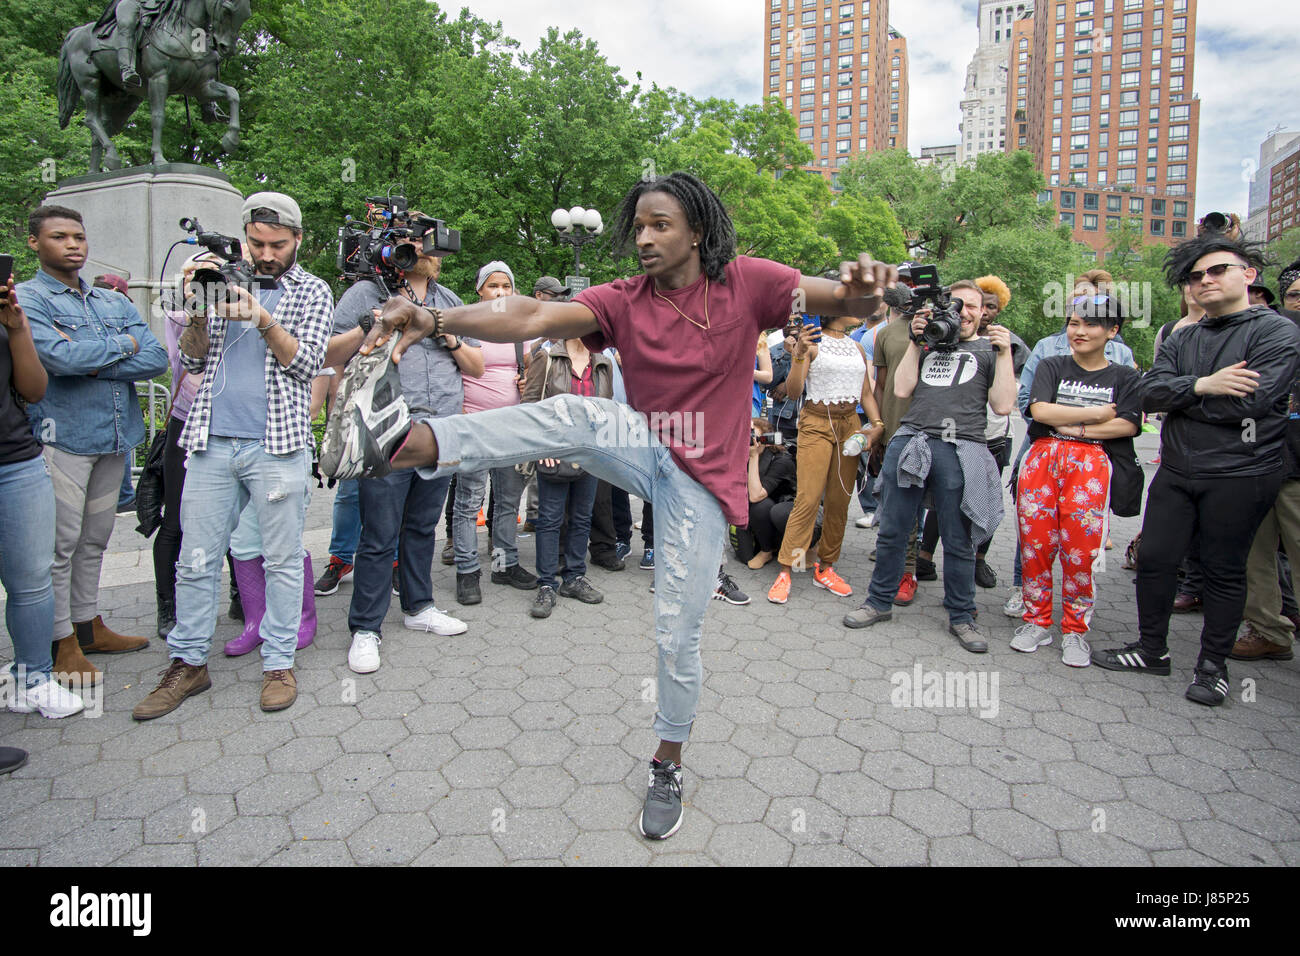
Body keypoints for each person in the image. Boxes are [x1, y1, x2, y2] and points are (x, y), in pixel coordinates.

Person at [334, 170, 893, 841]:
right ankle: (413, 444)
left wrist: (864, 298)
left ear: (696, 230)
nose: (645, 238)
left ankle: (668, 760)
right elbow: (530, 315)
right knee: (575, 412)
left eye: (661, 225)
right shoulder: (625, 299)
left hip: (701, 484)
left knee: (675, 632)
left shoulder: (749, 281)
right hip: (646, 441)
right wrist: (433, 318)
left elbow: (845, 304)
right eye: (640, 227)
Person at [133, 192, 332, 719]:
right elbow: (194, 360)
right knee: (195, 559)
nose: (266, 254)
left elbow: (305, 364)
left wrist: (262, 317)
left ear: (298, 240)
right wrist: (196, 306)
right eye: (257, 243)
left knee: (283, 560)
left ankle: (279, 661)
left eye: (277, 245)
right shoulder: (218, 279)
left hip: (278, 442)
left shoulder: (312, 289)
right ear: (244, 236)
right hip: (211, 440)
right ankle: (188, 662)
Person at [1092, 235, 1300, 706]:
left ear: (1248, 274)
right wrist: (1206, 384)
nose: (1205, 280)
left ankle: (1212, 668)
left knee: (1225, 570)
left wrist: (1182, 398)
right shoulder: (1183, 336)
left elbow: (1250, 404)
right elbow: (1147, 396)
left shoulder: (1277, 332)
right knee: (1156, 559)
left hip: (1242, 473)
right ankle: (1151, 650)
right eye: (1195, 276)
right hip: (1178, 470)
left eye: (1217, 270)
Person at [325, 212, 482, 675]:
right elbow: (330, 353)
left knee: (422, 526)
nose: (434, 257)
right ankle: (366, 628)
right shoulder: (367, 292)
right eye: (423, 246)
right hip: (390, 429)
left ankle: (418, 608)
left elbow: (475, 366)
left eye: (435, 248)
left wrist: (443, 331)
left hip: (443, 429)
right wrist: (371, 326)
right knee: (379, 533)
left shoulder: (448, 299)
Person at [18, 205, 167, 690]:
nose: (73, 244)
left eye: (79, 236)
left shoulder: (111, 301)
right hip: (63, 441)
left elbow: (156, 358)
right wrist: (122, 346)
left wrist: (93, 358)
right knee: (58, 545)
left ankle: (88, 625)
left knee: (95, 539)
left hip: (115, 440)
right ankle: (59, 641)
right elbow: (54, 358)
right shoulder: (28, 299)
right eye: (60, 236)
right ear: (35, 243)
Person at [843, 281, 1016, 653]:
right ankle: (878, 602)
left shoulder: (989, 350)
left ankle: (961, 615)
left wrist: (1004, 356)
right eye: (957, 305)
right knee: (892, 529)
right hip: (913, 441)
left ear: (983, 312)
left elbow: (1002, 406)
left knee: (958, 539)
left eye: (973, 306)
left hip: (962, 447)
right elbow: (902, 389)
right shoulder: (927, 342)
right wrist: (916, 342)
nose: (964, 311)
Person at [1013, 296, 1141, 666]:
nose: (1079, 331)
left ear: (1112, 331)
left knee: (1080, 552)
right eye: (1073, 323)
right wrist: (1098, 413)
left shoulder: (1124, 376)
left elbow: (1128, 424)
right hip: (1042, 461)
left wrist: (1077, 427)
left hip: (1091, 467)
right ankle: (1035, 621)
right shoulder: (1052, 364)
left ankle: (1075, 630)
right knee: (1035, 546)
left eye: (1091, 325)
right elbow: (1040, 410)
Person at [0, 273, 83, 718]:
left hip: (15, 460)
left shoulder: (10, 313)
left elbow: (34, 389)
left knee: (31, 578)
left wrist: (17, 328)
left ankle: (32, 677)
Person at [766, 314, 883, 605]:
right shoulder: (814, 343)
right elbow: (794, 392)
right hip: (816, 422)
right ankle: (786, 569)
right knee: (808, 498)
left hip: (850, 424)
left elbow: (865, 391)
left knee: (840, 500)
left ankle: (827, 566)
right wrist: (799, 354)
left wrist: (878, 423)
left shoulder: (856, 347)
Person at [451, 262, 536, 604]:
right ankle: (467, 571)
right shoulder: (466, 325)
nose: (501, 292)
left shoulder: (519, 329)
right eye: (493, 285)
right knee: (469, 502)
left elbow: (531, 369)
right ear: (480, 291)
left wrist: (526, 381)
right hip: (473, 425)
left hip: (509, 428)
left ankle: (503, 565)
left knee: (506, 501)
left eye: (506, 286)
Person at [1234, 263, 1300, 662]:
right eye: (1294, 296)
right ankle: (1267, 629)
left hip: (1297, 468)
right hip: (1256, 460)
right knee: (1254, 553)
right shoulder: (1264, 336)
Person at [521, 335, 613, 616]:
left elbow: (606, 408)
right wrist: (542, 446)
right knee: (549, 519)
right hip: (555, 450)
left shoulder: (603, 362)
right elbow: (530, 405)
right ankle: (547, 584)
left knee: (582, 517)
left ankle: (574, 578)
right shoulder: (548, 358)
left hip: (589, 452)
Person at [743, 418, 797, 570]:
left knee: (764, 506)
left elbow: (755, 495)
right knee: (759, 507)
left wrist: (753, 456)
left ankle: (807, 546)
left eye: (754, 435)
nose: (751, 440)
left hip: (787, 509)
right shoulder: (744, 454)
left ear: (766, 440)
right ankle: (766, 547)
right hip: (765, 516)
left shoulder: (781, 460)